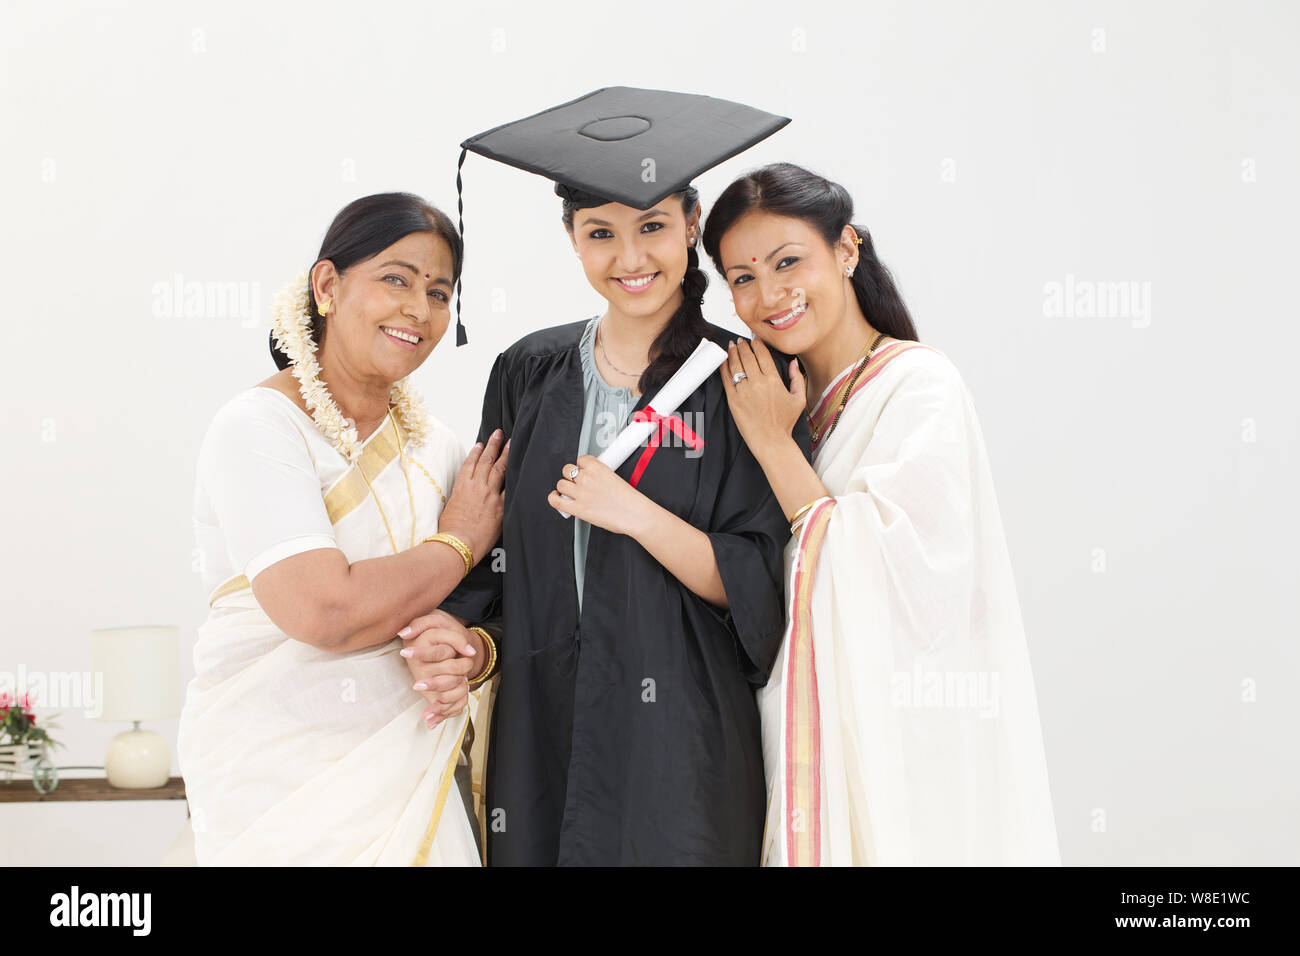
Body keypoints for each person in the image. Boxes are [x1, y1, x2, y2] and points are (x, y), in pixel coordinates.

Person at [399, 87, 804, 865]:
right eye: (601, 234)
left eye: (653, 227)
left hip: (681, 733)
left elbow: (763, 575)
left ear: (691, 224)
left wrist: (636, 514)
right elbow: (496, 561)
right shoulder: (529, 371)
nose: (630, 258)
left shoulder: (743, 375)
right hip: (544, 722)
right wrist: (461, 630)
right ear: (571, 239)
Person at [703, 162, 1061, 865]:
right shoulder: (784, 398)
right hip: (797, 734)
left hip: (901, 746)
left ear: (845, 250)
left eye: (788, 262)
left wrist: (774, 445)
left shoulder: (919, 387)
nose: (769, 294)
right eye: (742, 278)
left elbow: (905, 582)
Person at [177, 192, 508, 866]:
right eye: (396, 278)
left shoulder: (439, 449)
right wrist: (458, 543)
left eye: (440, 292)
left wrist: (470, 651)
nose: (420, 309)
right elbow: (323, 608)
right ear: (327, 285)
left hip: (410, 774)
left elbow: (491, 604)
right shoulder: (259, 427)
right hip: (275, 783)